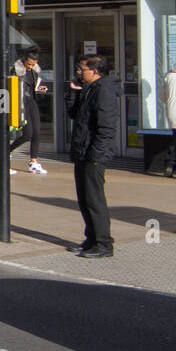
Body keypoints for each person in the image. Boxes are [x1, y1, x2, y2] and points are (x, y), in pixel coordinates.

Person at [65, 55, 117, 257]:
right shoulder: (89, 89)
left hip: (93, 154)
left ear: (95, 71)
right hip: (82, 151)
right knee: (84, 199)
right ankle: (91, 239)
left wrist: (95, 155)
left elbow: (106, 128)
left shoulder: (104, 91)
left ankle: (104, 243)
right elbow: (74, 114)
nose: (78, 72)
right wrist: (73, 91)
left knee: (95, 200)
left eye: (82, 69)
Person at [8, 47, 49, 174]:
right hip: (20, 102)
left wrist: (39, 89)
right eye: (29, 64)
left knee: (37, 132)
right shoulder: (15, 70)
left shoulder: (34, 71)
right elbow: (12, 87)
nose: (31, 66)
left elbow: (32, 86)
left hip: (31, 101)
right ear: (24, 61)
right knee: (27, 134)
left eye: (34, 64)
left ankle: (33, 162)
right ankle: (6, 151)